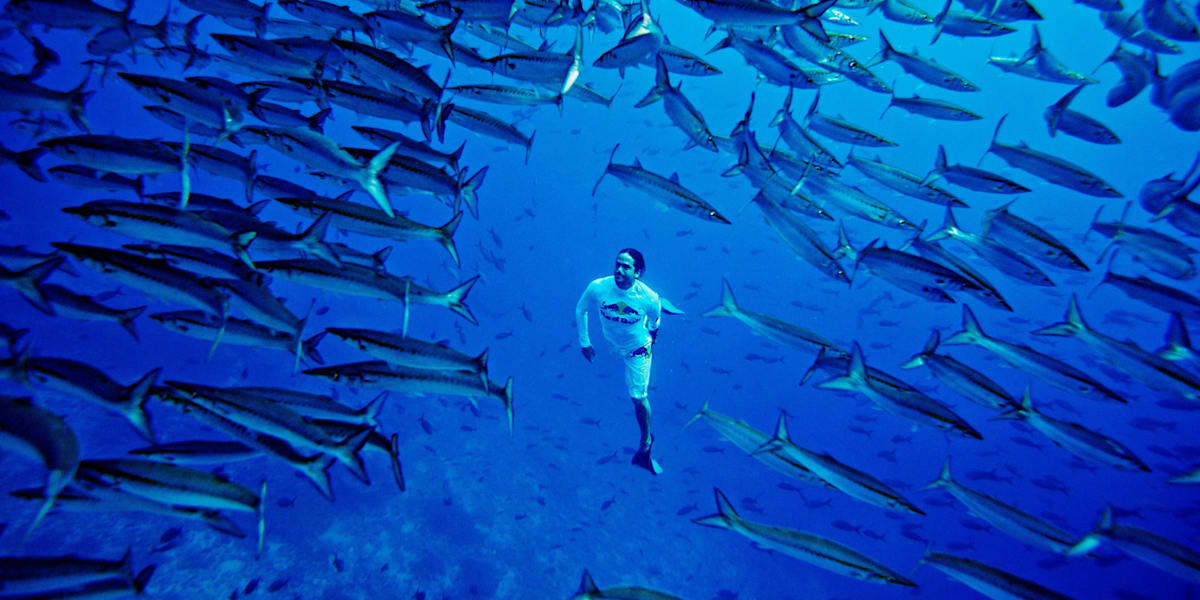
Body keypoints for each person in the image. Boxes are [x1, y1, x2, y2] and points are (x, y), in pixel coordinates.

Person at [575, 248, 663, 475]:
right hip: (612, 343)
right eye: (617, 264)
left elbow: (654, 323)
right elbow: (581, 309)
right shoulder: (598, 287)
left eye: (626, 267)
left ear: (638, 273)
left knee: (638, 397)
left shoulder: (649, 298)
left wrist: (651, 337)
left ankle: (645, 443)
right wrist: (585, 342)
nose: (619, 270)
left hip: (637, 349)